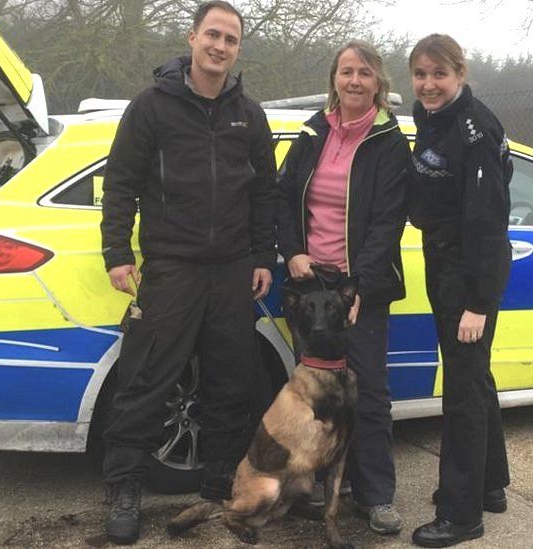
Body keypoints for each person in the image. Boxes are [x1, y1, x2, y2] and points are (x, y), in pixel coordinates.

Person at [98, 1, 277, 544]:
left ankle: (219, 485)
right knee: (146, 379)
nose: (220, 46)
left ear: (238, 50)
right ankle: (124, 488)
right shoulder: (151, 106)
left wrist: (263, 256)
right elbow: (121, 182)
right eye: (212, 35)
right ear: (192, 37)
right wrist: (116, 252)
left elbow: (264, 193)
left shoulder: (249, 114)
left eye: (231, 39)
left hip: (232, 270)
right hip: (171, 267)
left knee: (231, 382)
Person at [275, 40, 410, 536]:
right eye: (347, 71)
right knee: (313, 392)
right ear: (334, 77)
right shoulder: (313, 131)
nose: (355, 80)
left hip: (359, 286)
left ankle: (376, 495)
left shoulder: (389, 141)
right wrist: (293, 250)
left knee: (367, 391)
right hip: (310, 284)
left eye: (364, 73)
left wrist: (360, 291)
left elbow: (387, 223)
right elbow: (283, 197)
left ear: (378, 83)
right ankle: (312, 483)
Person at [406, 34, 514, 548]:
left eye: (439, 74)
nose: (429, 84)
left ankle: (461, 513)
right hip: (444, 261)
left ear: (460, 74)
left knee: (463, 392)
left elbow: (488, 222)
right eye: (420, 74)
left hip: (467, 270)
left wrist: (478, 303)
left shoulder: (475, 131)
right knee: (475, 378)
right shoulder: (432, 118)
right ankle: (488, 484)